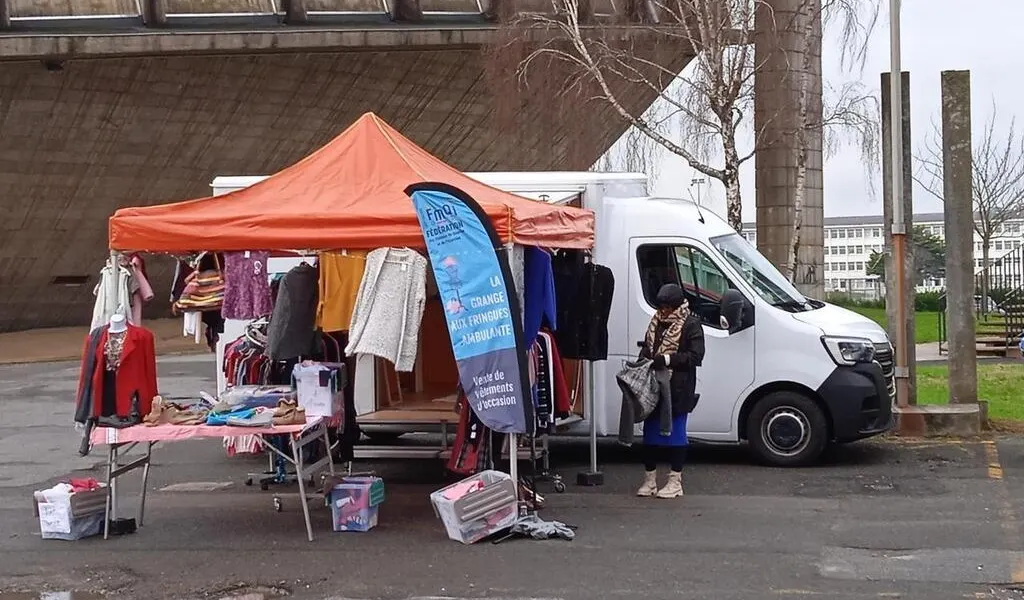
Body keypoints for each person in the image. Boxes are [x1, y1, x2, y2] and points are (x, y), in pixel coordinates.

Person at [636, 283, 705, 499]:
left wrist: (667, 359)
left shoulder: (691, 324)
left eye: (667, 307)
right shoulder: (656, 322)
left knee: (676, 434)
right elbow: (647, 347)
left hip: (678, 388)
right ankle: (650, 481)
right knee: (649, 435)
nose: (663, 311)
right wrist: (643, 360)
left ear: (676, 306)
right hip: (654, 387)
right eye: (661, 307)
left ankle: (675, 481)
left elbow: (696, 356)